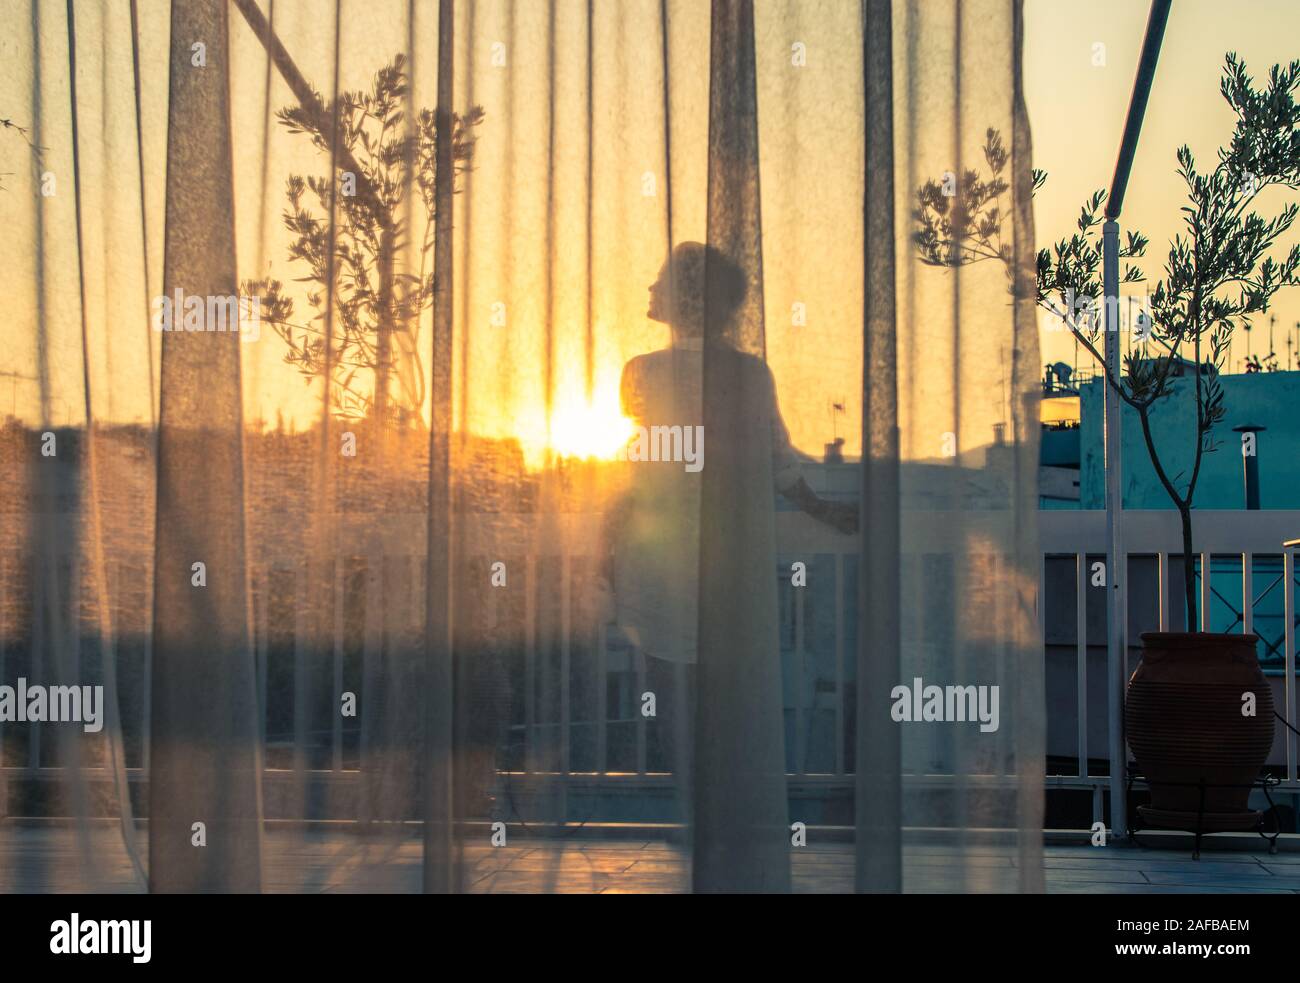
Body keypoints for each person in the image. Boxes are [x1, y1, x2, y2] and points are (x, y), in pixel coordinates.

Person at [601, 241, 856, 825]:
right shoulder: (749, 372)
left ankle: (699, 834)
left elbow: (640, 467)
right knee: (726, 716)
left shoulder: (639, 372)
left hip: (658, 567)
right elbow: (778, 462)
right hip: (729, 568)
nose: (650, 288)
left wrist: (604, 543)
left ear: (685, 296)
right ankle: (732, 838)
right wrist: (824, 511)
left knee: (676, 719)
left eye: (660, 279)